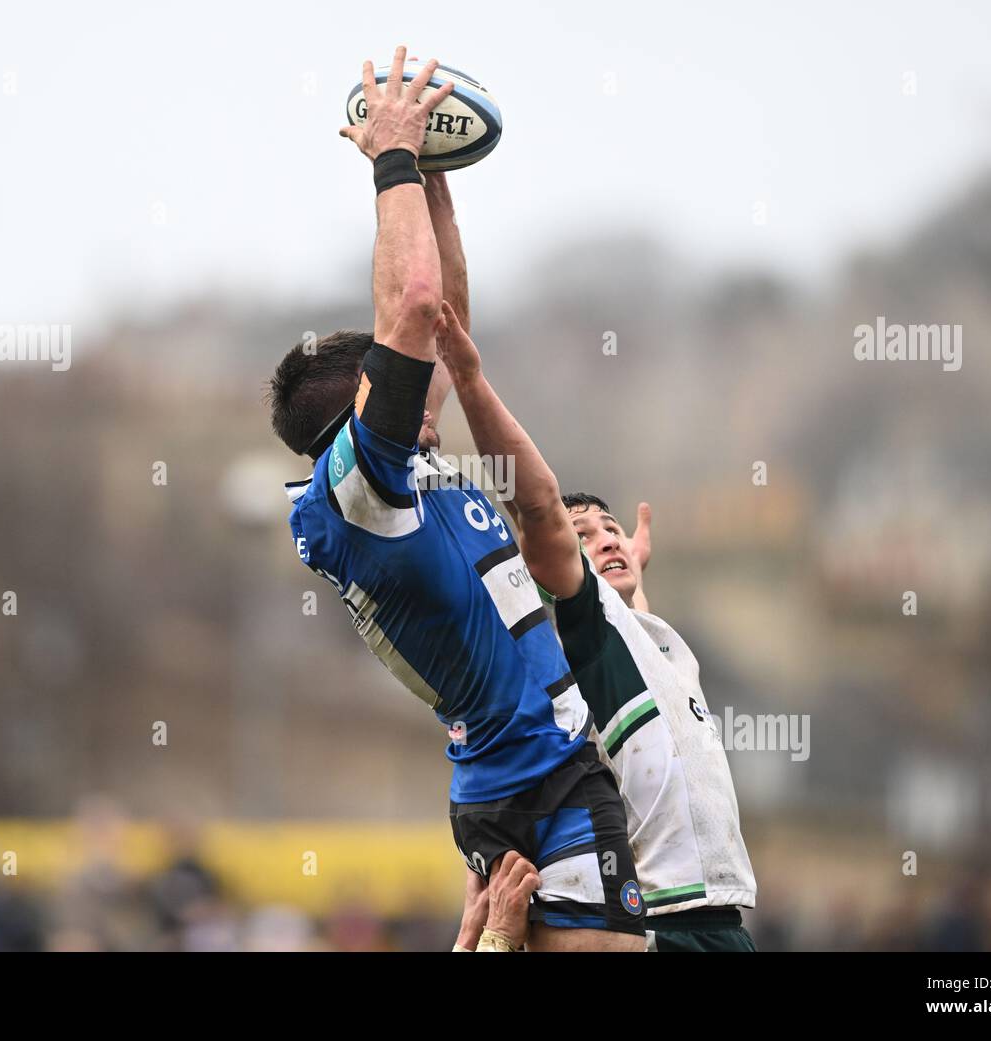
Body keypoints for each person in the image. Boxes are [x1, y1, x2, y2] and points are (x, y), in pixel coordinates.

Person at [268, 46, 644, 950]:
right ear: (366, 399)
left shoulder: (398, 462)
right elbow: (414, 305)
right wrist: (392, 157)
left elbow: (432, 314)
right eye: (392, 372)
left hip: (509, 777)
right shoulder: (360, 486)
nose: (417, 367)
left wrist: (432, 185)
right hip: (538, 775)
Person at [435, 302, 759, 952]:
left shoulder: (659, 642)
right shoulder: (585, 629)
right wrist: (470, 382)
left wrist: (626, 567)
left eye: (612, 529)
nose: (605, 539)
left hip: (729, 919)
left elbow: (639, 629)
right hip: (659, 922)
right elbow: (536, 510)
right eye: (583, 536)